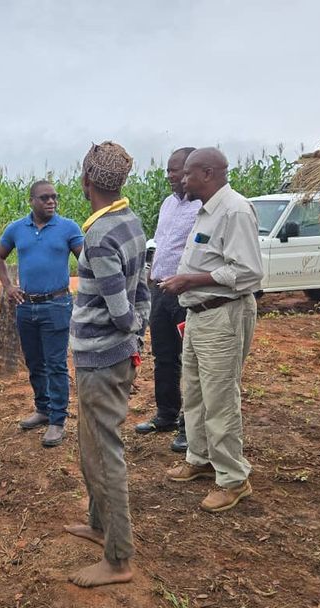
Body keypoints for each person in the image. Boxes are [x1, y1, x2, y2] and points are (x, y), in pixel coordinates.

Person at [61, 141, 150, 588]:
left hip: (102, 358)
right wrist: (138, 332)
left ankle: (118, 559)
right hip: (110, 355)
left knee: (103, 454)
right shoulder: (130, 220)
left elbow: (119, 311)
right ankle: (99, 525)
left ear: (86, 181)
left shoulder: (98, 235)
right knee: (90, 446)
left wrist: (130, 331)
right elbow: (143, 291)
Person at [158, 147, 265, 513]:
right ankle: (201, 458)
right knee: (195, 392)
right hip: (199, 314)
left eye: (187, 173)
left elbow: (248, 272)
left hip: (223, 314)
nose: (181, 179)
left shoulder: (235, 210)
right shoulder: (207, 211)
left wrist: (190, 280)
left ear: (207, 173)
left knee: (220, 398)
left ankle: (233, 479)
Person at [0, 180, 84, 447]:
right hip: (26, 306)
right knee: (34, 362)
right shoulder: (16, 229)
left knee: (56, 364)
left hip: (56, 305)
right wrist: (8, 286)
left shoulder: (68, 228)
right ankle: (43, 409)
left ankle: (58, 420)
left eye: (54, 197)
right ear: (31, 200)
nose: (51, 202)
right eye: (45, 198)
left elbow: (87, 261)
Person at [136, 147, 202, 453]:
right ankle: (166, 414)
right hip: (160, 291)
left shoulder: (203, 207)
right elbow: (161, 243)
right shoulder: (167, 203)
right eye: (168, 170)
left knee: (191, 360)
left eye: (174, 170)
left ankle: (190, 426)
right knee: (163, 356)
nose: (170, 176)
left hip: (185, 294)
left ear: (189, 171)